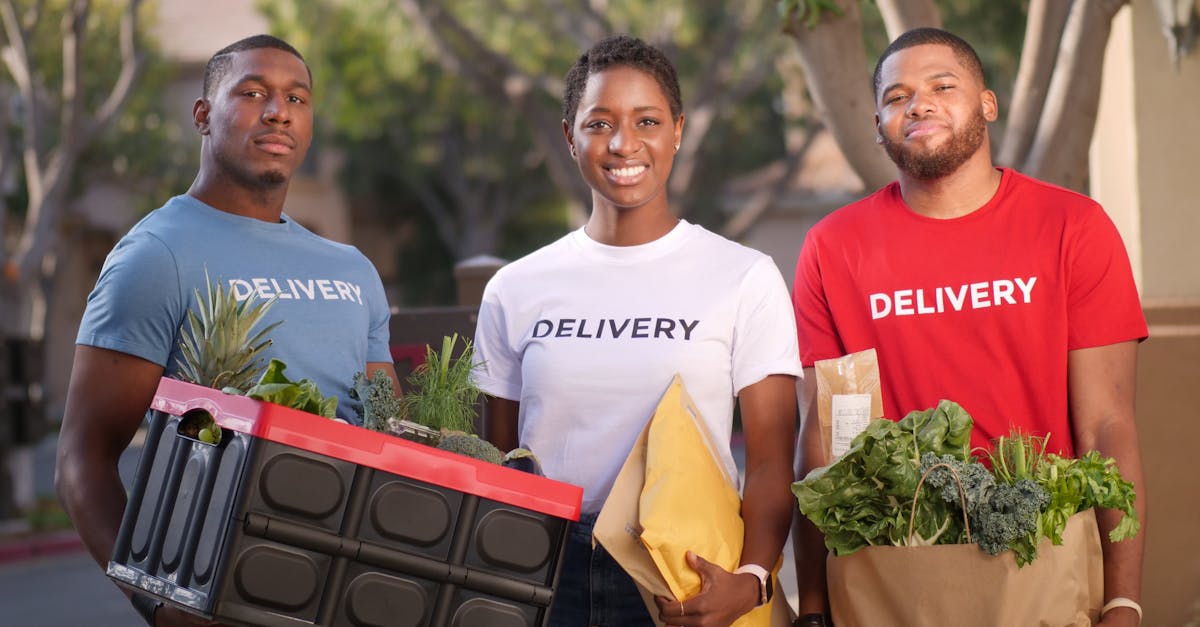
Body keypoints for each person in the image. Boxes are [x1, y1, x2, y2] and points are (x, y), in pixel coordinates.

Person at [789, 28, 1147, 627]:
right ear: (878, 125)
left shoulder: (1073, 227)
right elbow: (830, 437)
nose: (918, 104)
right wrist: (815, 606)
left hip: (1043, 566)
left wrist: (1124, 600)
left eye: (941, 85)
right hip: (893, 574)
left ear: (987, 103)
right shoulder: (835, 248)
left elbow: (1107, 424)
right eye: (897, 96)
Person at [55, 35, 396, 627]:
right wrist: (159, 605)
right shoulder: (156, 254)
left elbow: (388, 433)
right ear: (203, 115)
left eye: (297, 97)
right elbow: (82, 458)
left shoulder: (352, 270)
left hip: (352, 593)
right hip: (224, 594)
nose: (278, 110)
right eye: (252, 91)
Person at [471, 35, 802, 627]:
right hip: (542, 571)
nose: (624, 143)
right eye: (600, 123)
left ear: (677, 130)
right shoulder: (516, 287)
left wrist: (752, 580)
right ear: (570, 134)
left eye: (646, 120)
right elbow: (495, 457)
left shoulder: (744, 276)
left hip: (682, 572)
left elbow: (774, 458)